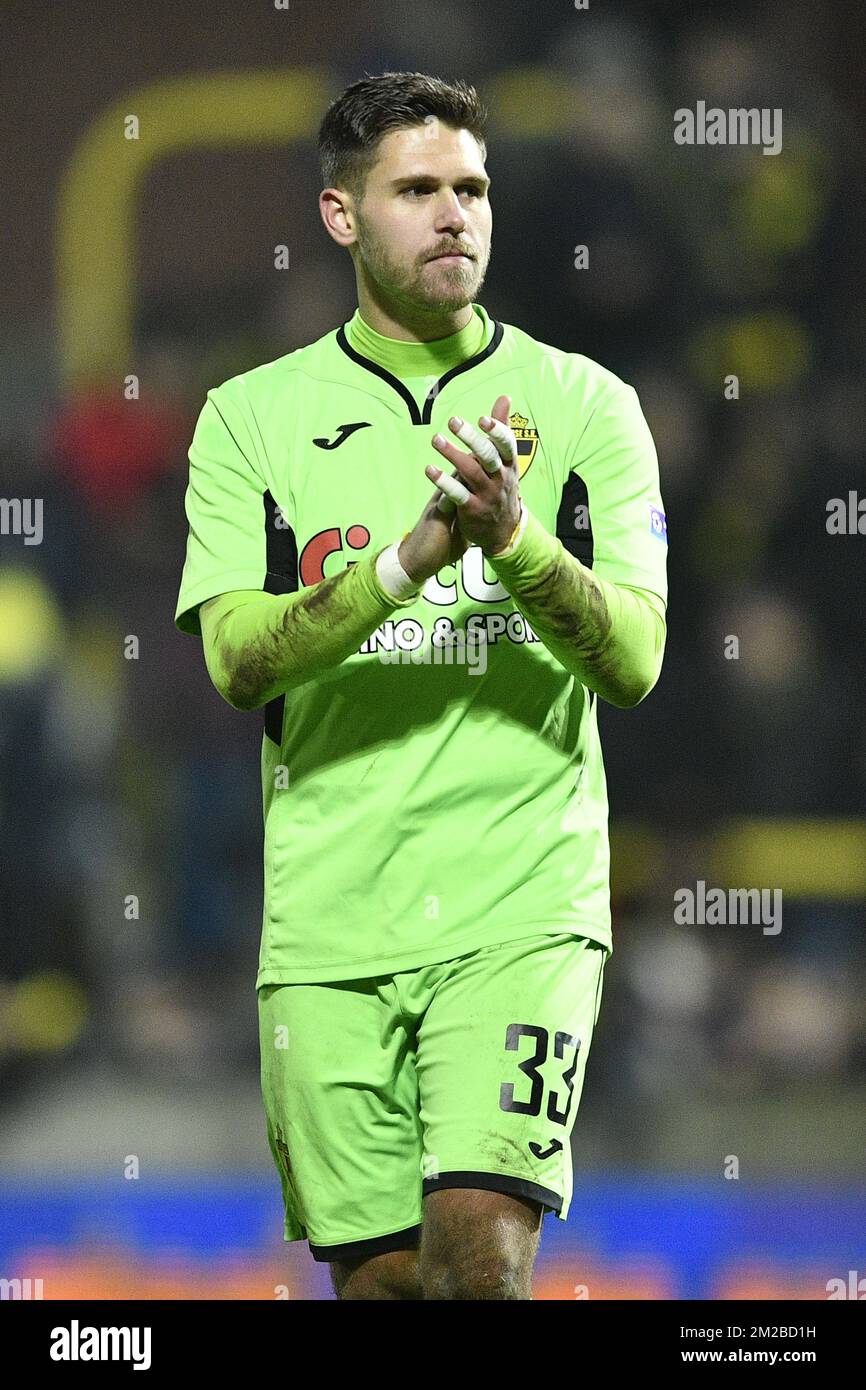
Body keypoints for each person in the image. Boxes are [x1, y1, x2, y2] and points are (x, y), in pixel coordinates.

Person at [174, 71, 668, 1300]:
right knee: (389, 1285)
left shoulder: (586, 406)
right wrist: (406, 561)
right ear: (342, 217)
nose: (456, 215)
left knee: (479, 1256)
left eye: (472, 189)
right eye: (417, 191)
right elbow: (237, 661)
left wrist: (511, 536)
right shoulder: (249, 420)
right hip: (330, 921)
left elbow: (636, 659)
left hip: (519, 902)